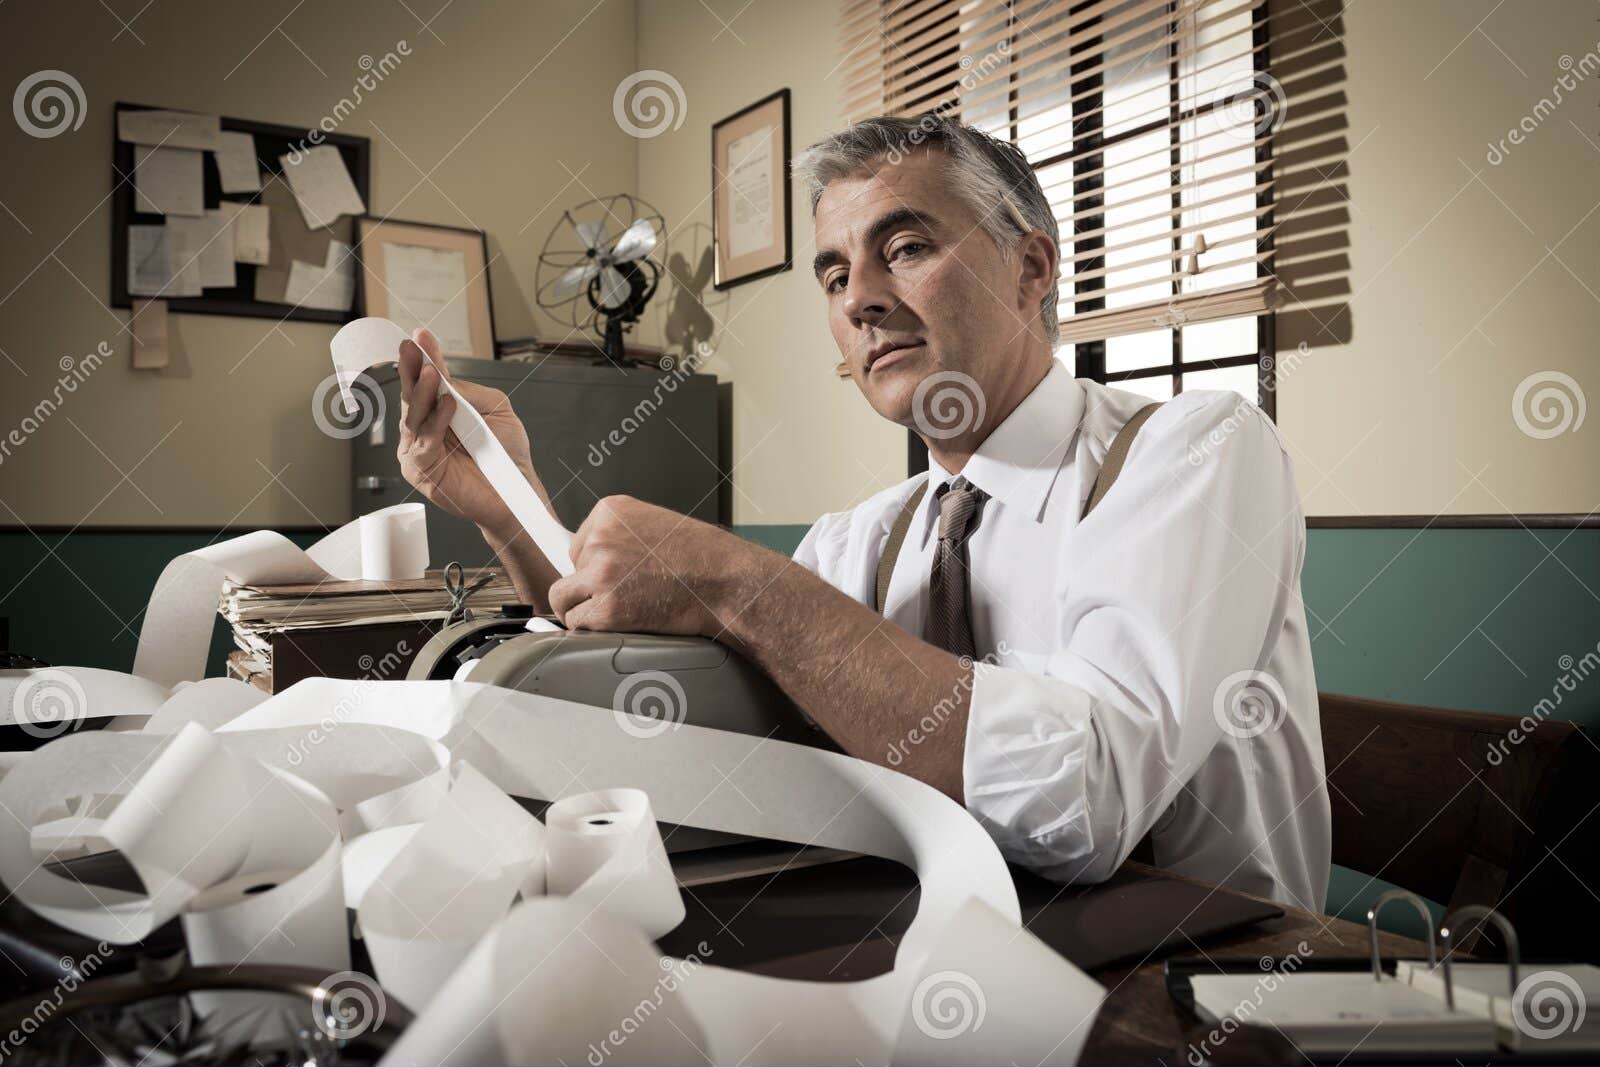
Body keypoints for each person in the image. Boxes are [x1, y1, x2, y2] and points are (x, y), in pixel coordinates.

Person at [396, 116, 1329, 909]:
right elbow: (693, 721)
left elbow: (1084, 803)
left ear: (1032, 267)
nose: (865, 300)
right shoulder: (863, 538)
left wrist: (734, 580)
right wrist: (511, 511)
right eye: (836, 277)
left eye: (908, 248)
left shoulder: (1195, 450)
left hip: (1200, 1001)